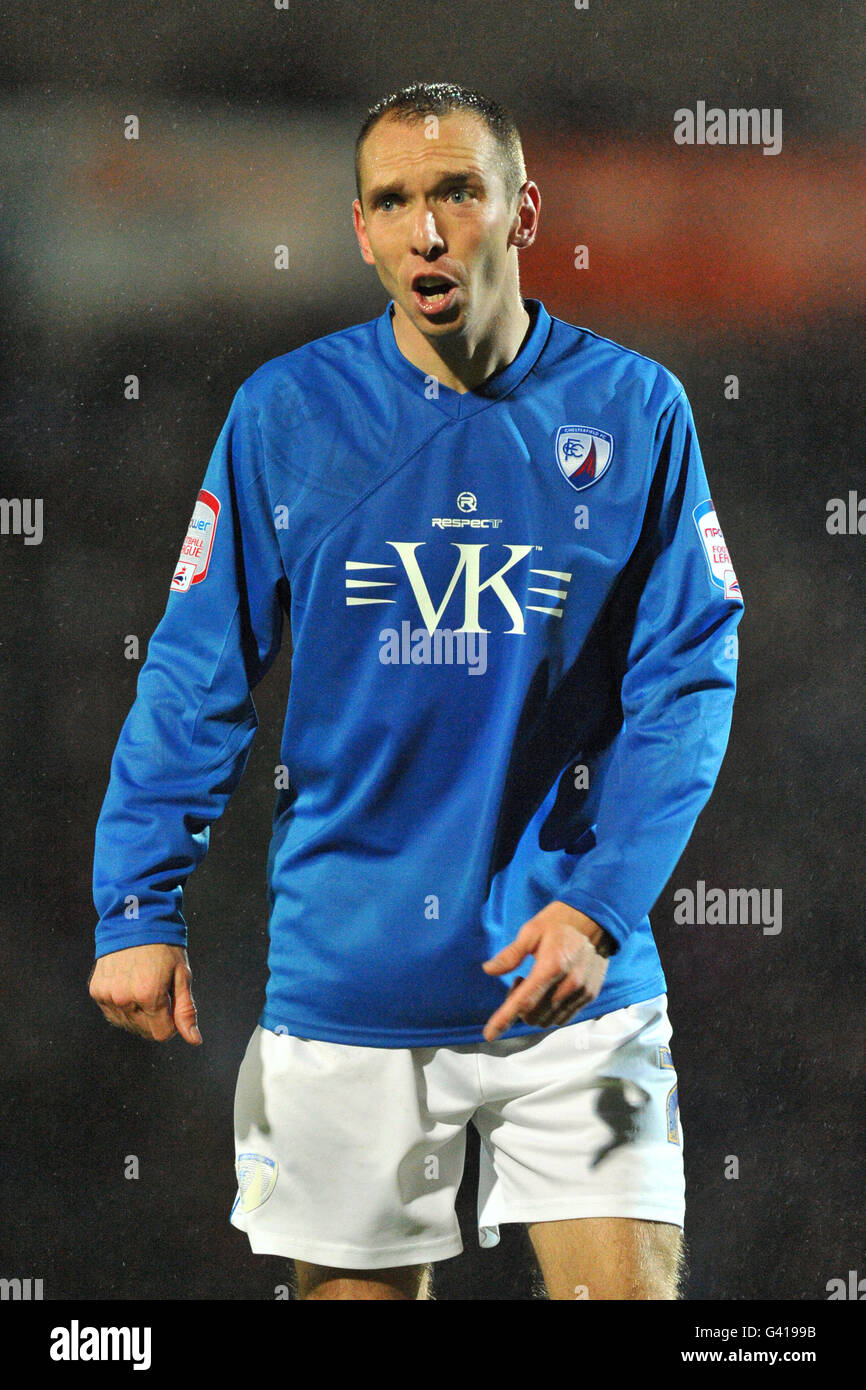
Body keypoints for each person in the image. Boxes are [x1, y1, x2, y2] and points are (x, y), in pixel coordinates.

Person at [89, 82, 744, 1301]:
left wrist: (601, 902)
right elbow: (195, 666)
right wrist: (137, 900)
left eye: (455, 192)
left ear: (520, 211)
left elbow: (686, 676)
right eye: (393, 201)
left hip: (566, 972)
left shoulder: (631, 410)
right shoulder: (285, 414)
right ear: (360, 230)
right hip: (348, 975)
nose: (426, 230)